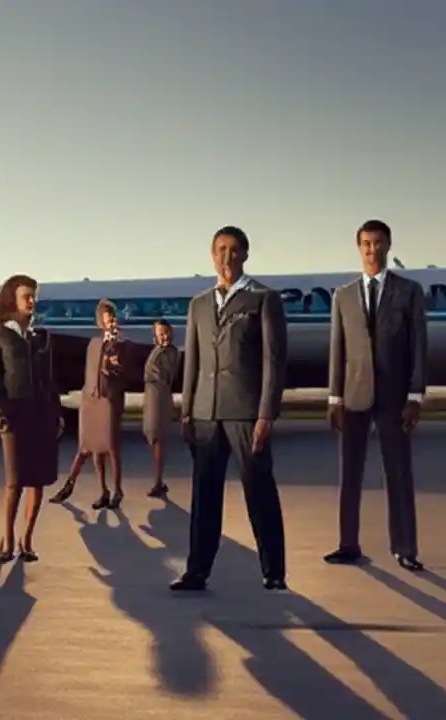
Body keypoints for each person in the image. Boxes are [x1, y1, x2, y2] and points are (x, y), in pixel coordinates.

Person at [170, 226, 288, 592]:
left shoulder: (263, 299)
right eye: (220, 250)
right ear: (212, 255)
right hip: (205, 413)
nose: (226, 257)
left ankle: (273, 571)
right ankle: (197, 571)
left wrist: (266, 414)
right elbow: (192, 361)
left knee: (259, 490)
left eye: (234, 250)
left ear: (245, 255)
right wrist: (187, 411)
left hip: (245, 411)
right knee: (204, 496)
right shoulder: (199, 304)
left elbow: (273, 361)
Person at [323, 219, 428, 572]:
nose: (372, 249)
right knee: (349, 473)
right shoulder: (343, 295)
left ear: (388, 245)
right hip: (353, 394)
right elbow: (337, 348)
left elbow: (418, 346)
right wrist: (334, 398)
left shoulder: (409, 291)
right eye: (366, 243)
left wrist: (415, 396)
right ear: (359, 248)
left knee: (399, 473)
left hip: (395, 396)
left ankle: (405, 548)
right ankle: (347, 544)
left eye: (378, 242)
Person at [0, 274, 60, 563]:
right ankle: (7, 540)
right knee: (14, 481)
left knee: (38, 480)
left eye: (33, 296)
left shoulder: (41, 337)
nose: (32, 301)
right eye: (26, 296)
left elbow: (49, 380)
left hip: (41, 413)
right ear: (12, 299)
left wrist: (56, 414)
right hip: (13, 414)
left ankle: (27, 539)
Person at [48, 300, 127, 510]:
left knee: (111, 447)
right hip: (90, 401)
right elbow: (90, 372)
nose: (110, 320)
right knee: (87, 448)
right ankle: (91, 489)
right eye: (106, 317)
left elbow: (118, 370)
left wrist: (113, 352)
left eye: (112, 316)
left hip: (107, 401)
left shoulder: (119, 344)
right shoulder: (93, 344)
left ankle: (118, 490)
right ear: (100, 320)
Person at [141, 318, 180, 498]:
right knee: (153, 438)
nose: (164, 337)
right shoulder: (157, 350)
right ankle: (159, 480)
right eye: (160, 334)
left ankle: (158, 481)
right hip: (152, 396)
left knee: (157, 439)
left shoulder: (170, 352)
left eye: (166, 332)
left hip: (160, 396)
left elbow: (162, 374)